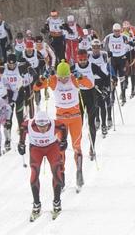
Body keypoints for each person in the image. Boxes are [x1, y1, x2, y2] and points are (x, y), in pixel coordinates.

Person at [36, 61, 95, 189]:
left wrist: (80, 76)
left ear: (69, 74)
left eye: (66, 77)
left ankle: (79, 171)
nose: (63, 80)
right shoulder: (53, 80)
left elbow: (90, 85)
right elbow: (36, 87)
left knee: (76, 146)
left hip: (75, 118)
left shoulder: (74, 79)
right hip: (61, 120)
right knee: (60, 147)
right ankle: (61, 175)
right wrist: (43, 77)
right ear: (57, 75)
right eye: (61, 77)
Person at [18, 110, 67, 219]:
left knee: (56, 170)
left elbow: (63, 127)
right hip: (36, 149)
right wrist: (21, 143)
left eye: (45, 126)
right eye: (40, 126)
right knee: (34, 172)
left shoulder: (54, 124)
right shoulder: (29, 125)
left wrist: (64, 140)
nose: (43, 129)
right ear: (36, 123)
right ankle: (36, 204)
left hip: (52, 148)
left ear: (48, 123)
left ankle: (57, 202)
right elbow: (22, 128)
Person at [71, 49, 110, 142]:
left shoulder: (93, 66)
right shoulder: (73, 68)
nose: (83, 62)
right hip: (78, 95)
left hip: (91, 95)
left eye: (85, 59)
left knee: (91, 122)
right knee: (79, 122)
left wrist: (105, 89)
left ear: (87, 59)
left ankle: (92, 145)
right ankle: (77, 142)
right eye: (81, 60)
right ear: (77, 59)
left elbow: (105, 77)